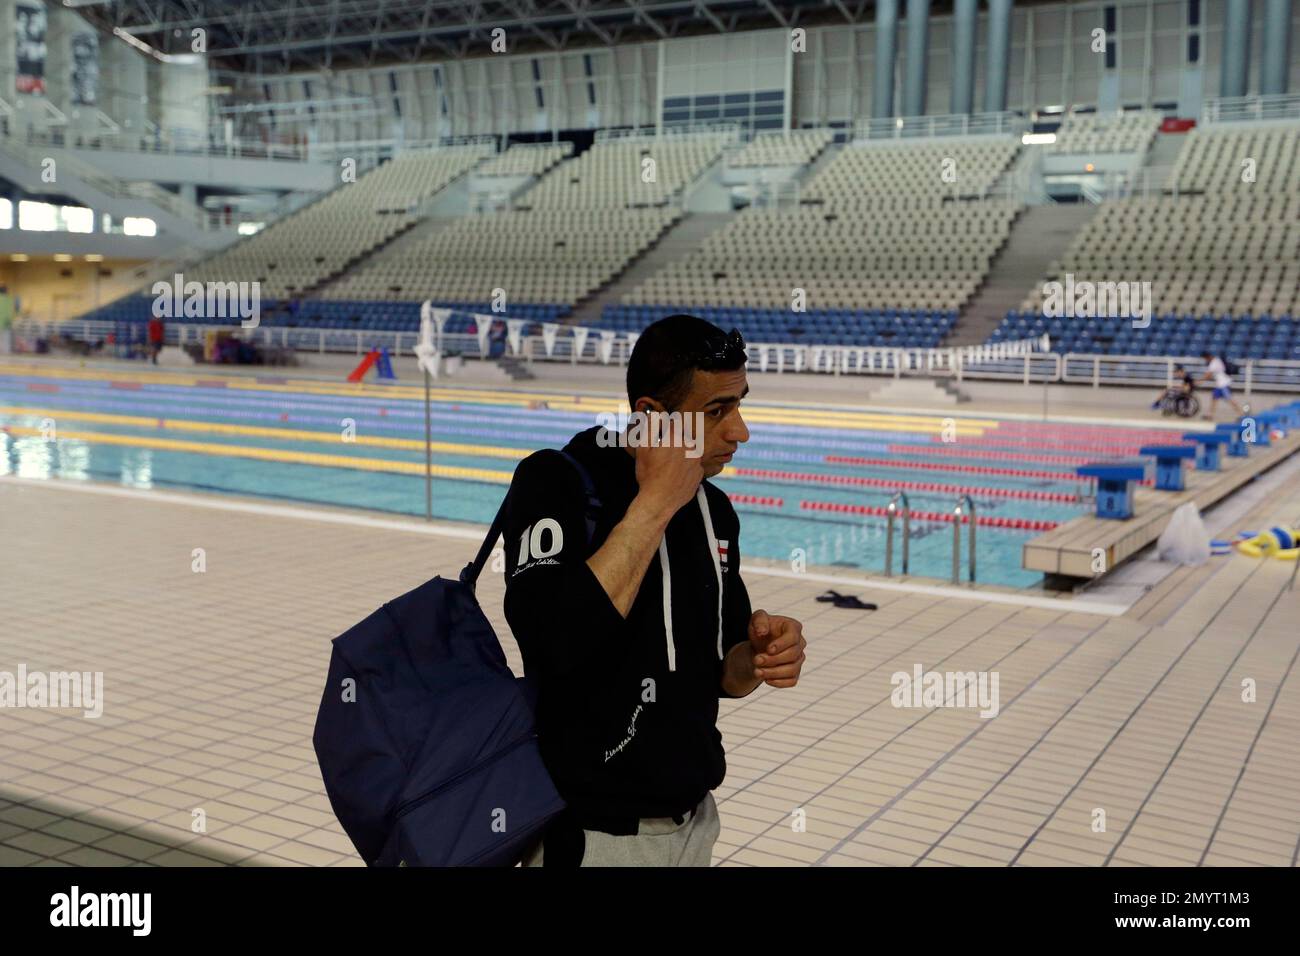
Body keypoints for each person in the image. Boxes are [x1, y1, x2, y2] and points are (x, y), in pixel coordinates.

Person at [503, 313, 806, 867]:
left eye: (740, 404)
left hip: (695, 826)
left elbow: (723, 673)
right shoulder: (559, 484)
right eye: (717, 411)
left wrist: (759, 657)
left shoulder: (715, 511)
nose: (740, 431)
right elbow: (554, 644)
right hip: (592, 836)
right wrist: (655, 504)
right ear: (652, 417)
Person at [1199, 351, 1244, 420]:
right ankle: (1210, 415)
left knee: (1230, 399)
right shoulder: (1217, 360)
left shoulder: (1214, 362)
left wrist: (1200, 381)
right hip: (1220, 384)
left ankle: (1242, 414)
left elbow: (1208, 374)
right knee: (1214, 398)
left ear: (1207, 357)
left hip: (1223, 384)